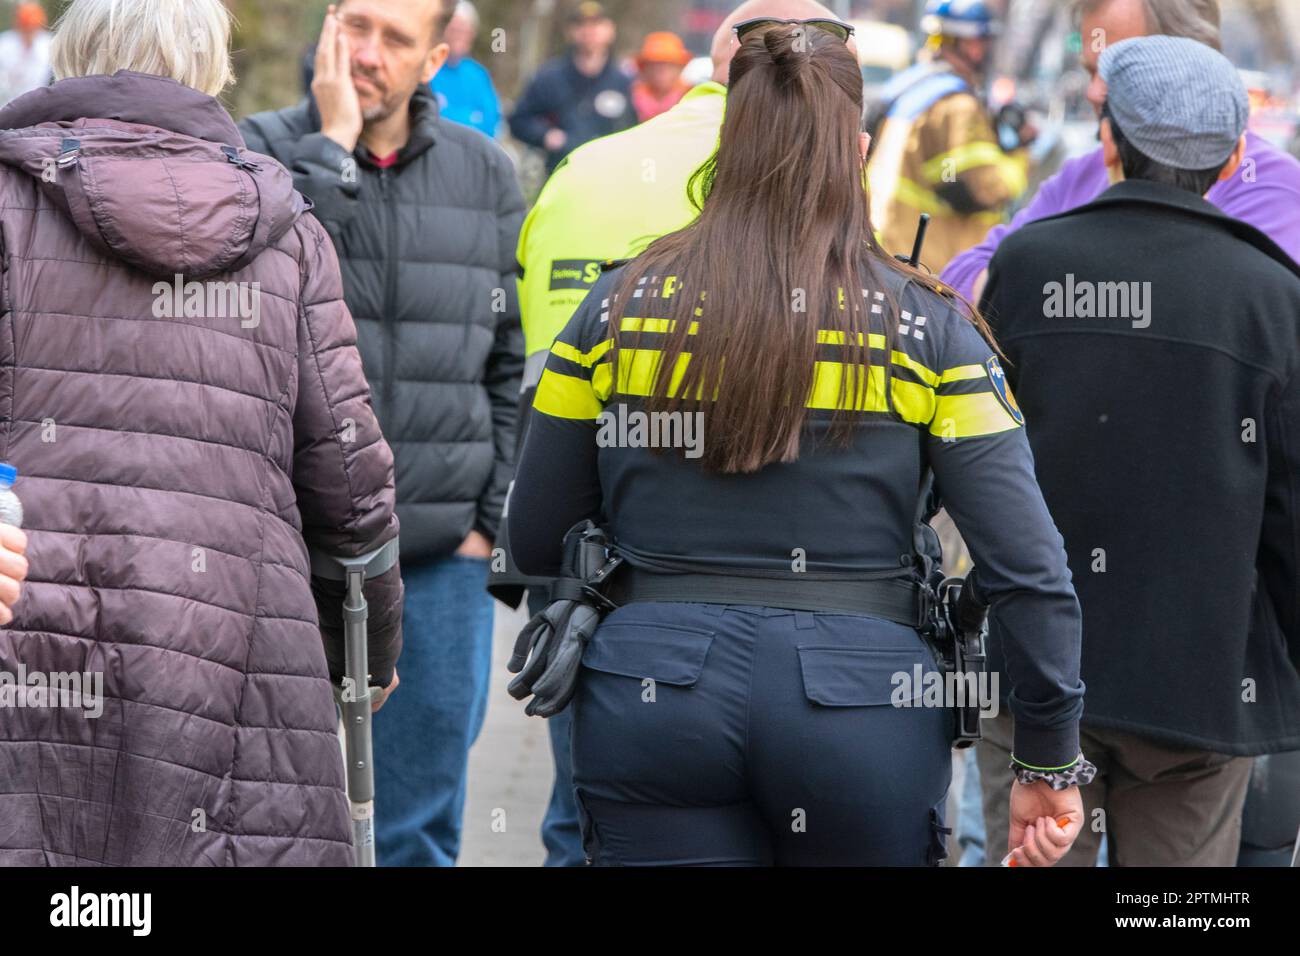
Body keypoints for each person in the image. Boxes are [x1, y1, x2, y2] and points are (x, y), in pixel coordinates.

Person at [507, 18, 1092, 867]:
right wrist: (1047, 754)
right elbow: (1031, 570)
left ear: (727, 139)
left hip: (654, 697)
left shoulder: (613, 312)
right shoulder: (928, 331)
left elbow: (534, 536)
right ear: (856, 151)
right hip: (864, 710)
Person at [0, 0, 402, 866]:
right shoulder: (289, 233)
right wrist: (363, 649)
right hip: (237, 644)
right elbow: (350, 477)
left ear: (73, 58)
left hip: (31, 630)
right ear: (209, 70)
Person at [504, 0, 845, 868]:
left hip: (600, 582)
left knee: (584, 820)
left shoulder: (583, 171)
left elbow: (540, 377)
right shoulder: (824, 179)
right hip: (807, 616)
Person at [977, 35, 1300, 866]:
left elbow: (978, 471)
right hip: (1201, 682)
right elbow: (1290, 511)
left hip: (1036, 677)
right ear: (1232, 156)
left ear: (1110, 139)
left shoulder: (1028, 263)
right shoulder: (1273, 296)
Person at [240, 0, 525, 867]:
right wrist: (327, 154)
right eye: (354, 25)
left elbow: (510, 362)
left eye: (394, 39)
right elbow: (263, 318)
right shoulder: (252, 153)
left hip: (437, 560)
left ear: (435, 58)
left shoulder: (487, 174)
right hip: (274, 556)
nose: (365, 54)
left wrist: (486, 524)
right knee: (264, 822)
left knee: (415, 833)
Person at [942, 0, 1300, 302]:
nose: (1094, 92)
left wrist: (1036, 287)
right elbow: (960, 279)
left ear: (1196, 60)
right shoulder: (1082, 173)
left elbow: (1209, 315)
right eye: (1090, 71)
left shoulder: (1270, 186)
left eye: (1124, 64)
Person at [865, 0, 1029, 272]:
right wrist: (1021, 152)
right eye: (982, 41)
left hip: (892, 249)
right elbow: (979, 190)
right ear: (968, 44)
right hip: (933, 267)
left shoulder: (910, 87)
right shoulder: (955, 106)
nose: (985, 51)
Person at [508, 1, 636, 173]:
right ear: (570, 32)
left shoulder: (625, 82)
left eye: (596, 24)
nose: (589, 31)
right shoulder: (549, 78)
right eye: (581, 24)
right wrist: (546, 135)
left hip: (611, 174)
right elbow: (518, 120)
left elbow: (637, 129)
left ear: (611, 30)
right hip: (561, 172)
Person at [431, 1, 501, 138]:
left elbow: (491, 121)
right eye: (454, 29)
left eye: (465, 30)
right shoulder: (428, 69)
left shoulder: (479, 75)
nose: (459, 36)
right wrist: (470, 118)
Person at [631, 31, 692, 123]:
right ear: (644, 68)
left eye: (668, 64)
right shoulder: (629, 96)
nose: (661, 70)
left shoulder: (692, 97)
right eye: (654, 64)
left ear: (680, 67)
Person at [0, 2, 51, 105]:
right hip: (6, 103)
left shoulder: (49, 44)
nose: (29, 32)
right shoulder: (5, 43)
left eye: (32, 27)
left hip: (37, 103)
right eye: (26, 27)